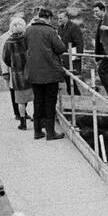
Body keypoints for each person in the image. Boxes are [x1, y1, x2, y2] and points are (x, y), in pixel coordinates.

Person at [24, 8, 68, 139]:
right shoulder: (50, 31)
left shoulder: (29, 30)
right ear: (48, 18)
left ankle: (37, 131)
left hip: (34, 73)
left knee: (38, 101)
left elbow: (25, 46)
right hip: (49, 73)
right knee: (50, 102)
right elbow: (61, 48)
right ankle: (50, 132)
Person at [0, 17, 34, 129]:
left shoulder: (9, 41)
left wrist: (12, 65)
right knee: (34, 96)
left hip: (17, 74)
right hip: (29, 72)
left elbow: (5, 58)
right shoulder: (27, 39)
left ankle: (22, 122)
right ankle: (37, 118)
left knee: (20, 100)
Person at [59, 7, 86, 95]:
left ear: (66, 17)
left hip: (73, 57)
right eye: (58, 18)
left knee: (71, 80)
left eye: (61, 18)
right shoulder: (60, 28)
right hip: (64, 57)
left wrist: (78, 55)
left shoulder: (74, 27)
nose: (59, 20)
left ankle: (76, 99)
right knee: (68, 80)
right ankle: (74, 100)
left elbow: (79, 42)